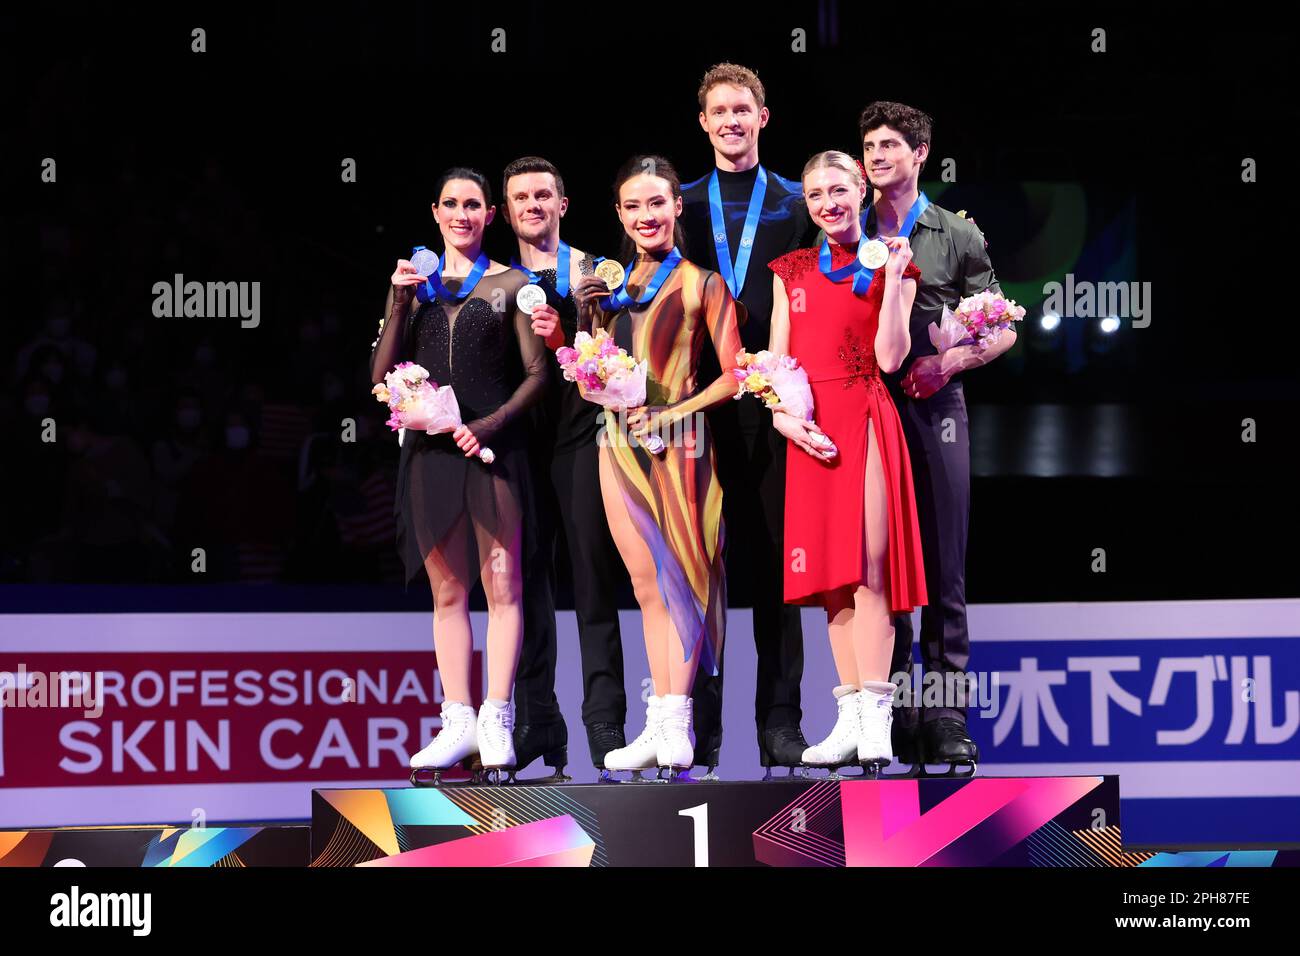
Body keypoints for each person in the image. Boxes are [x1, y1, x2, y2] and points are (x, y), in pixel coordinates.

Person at [369, 167, 548, 781]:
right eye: (451, 204)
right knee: (448, 593)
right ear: (436, 212)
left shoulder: (514, 283)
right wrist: (397, 300)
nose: (462, 214)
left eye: (474, 204)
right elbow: (380, 376)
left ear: (489, 214)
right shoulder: (413, 288)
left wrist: (490, 425)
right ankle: (457, 720)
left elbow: (537, 374)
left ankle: (497, 716)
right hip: (430, 457)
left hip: (494, 451)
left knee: (503, 590)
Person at [856, 102, 1015, 771]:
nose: (876, 157)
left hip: (937, 407)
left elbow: (1002, 325)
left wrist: (952, 360)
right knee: (880, 570)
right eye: (868, 146)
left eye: (890, 144)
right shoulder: (847, 228)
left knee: (945, 567)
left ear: (921, 153)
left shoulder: (956, 234)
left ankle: (947, 716)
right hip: (867, 408)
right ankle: (888, 715)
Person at [581, 155, 744, 776]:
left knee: (686, 583)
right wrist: (587, 321)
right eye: (633, 206)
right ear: (620, 214)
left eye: (657, 203)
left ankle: (678, 724)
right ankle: (661, 721)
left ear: (678, 206)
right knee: (647, 587)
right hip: (616, 446)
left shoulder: (704, 284)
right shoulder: (608, 286)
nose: (646, 216)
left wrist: (675, 413)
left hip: (684, 446)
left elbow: (737, 375)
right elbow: (588, 378)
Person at [767, 150, 927, 772]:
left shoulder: (894, 266)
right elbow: (777, 362)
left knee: (871, 571)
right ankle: (851, 720)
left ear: (861, 189)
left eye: (838, 189)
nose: (828, 203)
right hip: (811, 428)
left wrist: (895, 279)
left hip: (866, 416)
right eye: (815, 195)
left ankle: (878, 719)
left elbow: (891, 359)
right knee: (832, 582)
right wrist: (783, 417)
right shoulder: (791, 270)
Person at [679, 63, 811, 775]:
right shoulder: (680, 204)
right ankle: (697, 726)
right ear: (702, 123)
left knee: (776, 571)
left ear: (764, 116)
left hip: (770, 403)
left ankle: (780, 725)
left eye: (742, 108)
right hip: (697, 405)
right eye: (718, 110)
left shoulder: (796, 203)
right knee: (697, 568)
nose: (730, 120)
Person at [502, 155, 631, 775]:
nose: (533, 205)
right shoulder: (493, 280)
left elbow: (615, 362)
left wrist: (576, 333)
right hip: (517, 446)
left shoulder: (595, 272)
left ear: (563, 204)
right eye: (521, 197)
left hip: (581, 439)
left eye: (543, 195)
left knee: (592, 579)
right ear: (506, 211)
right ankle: (538, 721)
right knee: (524, 585)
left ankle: (604, 723)